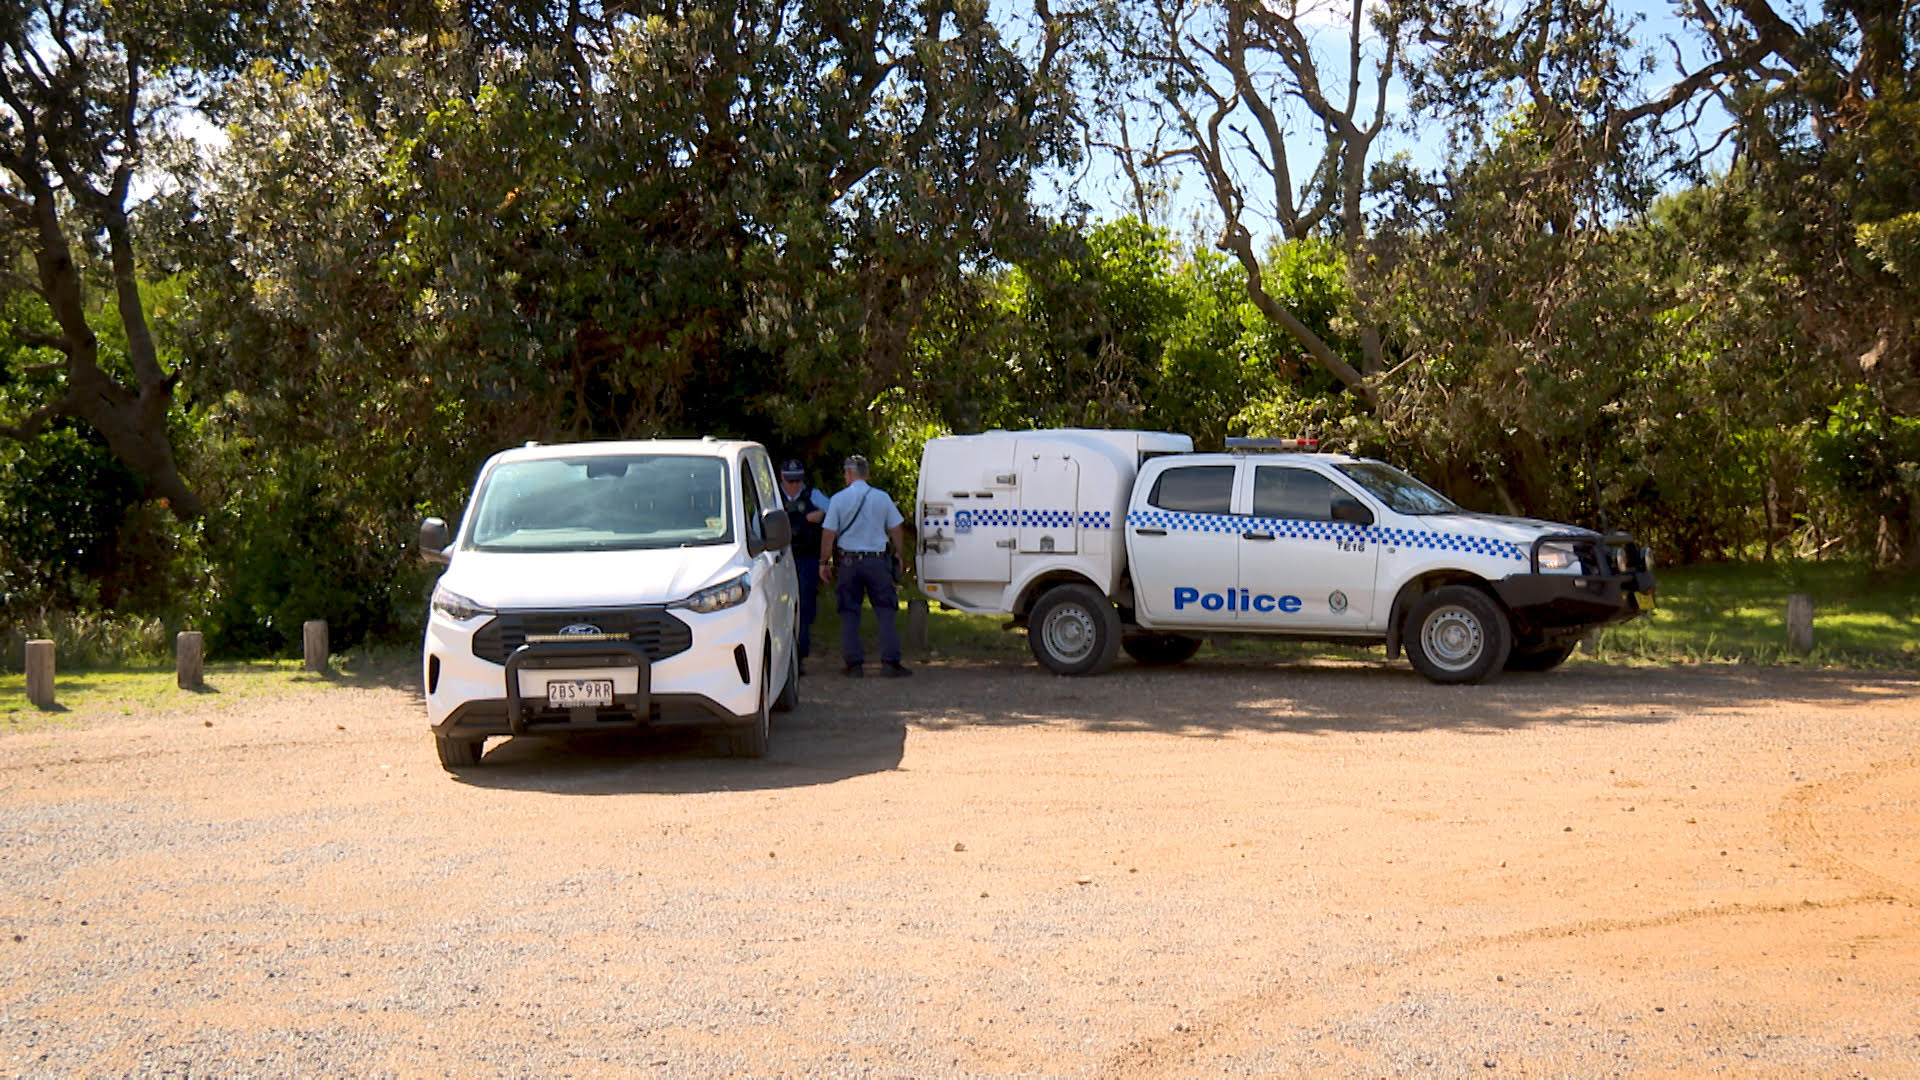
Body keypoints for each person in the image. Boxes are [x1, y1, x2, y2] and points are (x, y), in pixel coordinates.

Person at [818, 454, 912, 677]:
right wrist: (899, 554)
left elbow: (828, 533)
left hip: (849, 562)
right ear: (866, 474)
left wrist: (824, 562)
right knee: (886, 610)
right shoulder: (882, 498)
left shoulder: (838, 499)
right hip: (877, 562)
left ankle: (854, 665)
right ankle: (890, 663)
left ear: (849, 474)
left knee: (849, 612)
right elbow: (896, 528)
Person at [778, 459, 828, 674]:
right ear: (782, 478)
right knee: (780, 607)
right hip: (780, 559)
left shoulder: (813, 496)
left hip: (806, 559)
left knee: (805, 606)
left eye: (797, 480)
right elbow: (756, 525)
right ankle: (783, 658)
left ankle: (800, 655)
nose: (794, 485)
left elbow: (836, 513)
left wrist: (822, 515)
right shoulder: (773, 497)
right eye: (790, 481)